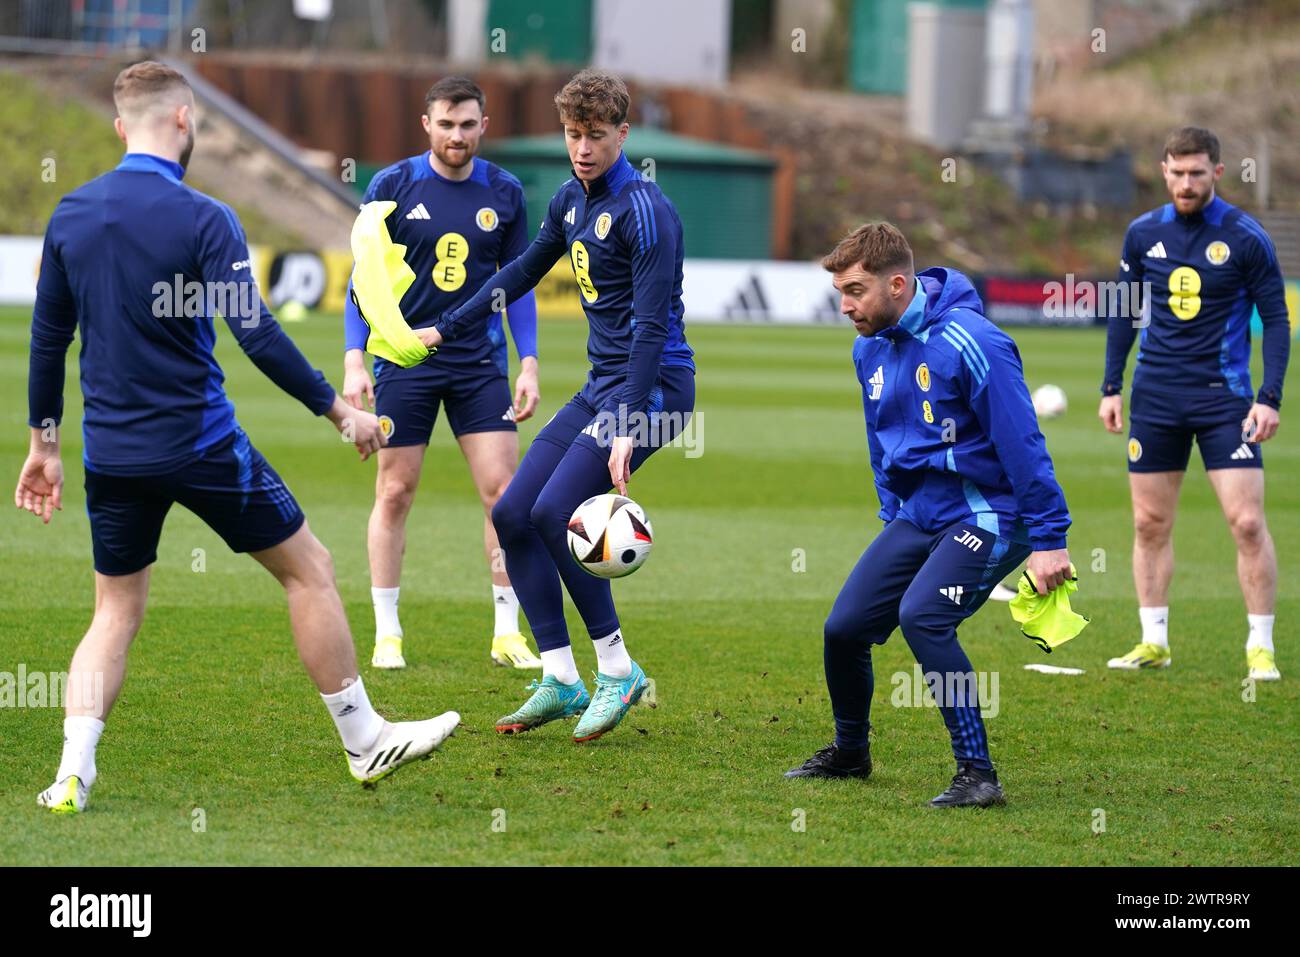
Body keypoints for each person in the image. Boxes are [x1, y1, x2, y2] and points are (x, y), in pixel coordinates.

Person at [17, 61, 457, 813]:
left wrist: (44, 445)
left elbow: (47, 337)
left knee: (114, 610)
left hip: (113, 454)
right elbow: (256, 335)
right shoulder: (205, 218)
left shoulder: (72, 213)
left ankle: (71, 774)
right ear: (185, 120)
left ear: (122, 127)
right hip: (200, 445)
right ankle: (364, 739)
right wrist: (339, 410)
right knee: (309, 568)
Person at [415, 69, 695, 743]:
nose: (582, 148)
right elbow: (519, 274)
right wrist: (445, 327)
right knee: (512, 512)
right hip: (603, 386)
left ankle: (618, 670)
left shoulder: (647, 210)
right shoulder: (570, 200)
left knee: (553, 513)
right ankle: (561, 677)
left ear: (622, 134)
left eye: (596, 136)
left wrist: (630, 420)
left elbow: (653, 329)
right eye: (573, 135)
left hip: (653, 390)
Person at [786, 222, 1072, 807]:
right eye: (839, 292)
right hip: (920, 513)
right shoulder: (867, 347)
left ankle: (978, 775)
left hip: (991, 512)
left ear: (897, 284)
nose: (845, 306)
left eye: (855, 291)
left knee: (923, 617)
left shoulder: (974, 341)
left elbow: (1023, 446)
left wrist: (1050, 539)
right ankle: (851, 753)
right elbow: (881, 435)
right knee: (843, 629)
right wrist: (891, 508)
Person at [343, 76, 542, 672]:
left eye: (468, 124)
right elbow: (364, 280)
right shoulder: (392, 186)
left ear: (485, 124)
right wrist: (356, 359)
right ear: (426, 124)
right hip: (404, 360)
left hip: (479, 363)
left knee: (503, 496)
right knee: (395, 490)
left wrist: (528, 361)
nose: (458, 135)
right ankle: (387, 632)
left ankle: (507, 632)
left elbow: (519, 284)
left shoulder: (505, 192)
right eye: (447, 124)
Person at [1099, 127, 1289, 681]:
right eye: (1177, 173)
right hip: (1155, 397)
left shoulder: (1246, 237)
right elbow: (1124, 314)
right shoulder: (1141, 234)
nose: (1186, 183)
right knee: (1149, 521)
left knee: (1248, 522)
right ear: (1163, 171)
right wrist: (1112, 386)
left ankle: (1260, 647)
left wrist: (1268, 397)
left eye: (1197, 173)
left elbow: (1276, 320)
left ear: (1217, 173)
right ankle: (1153, 641)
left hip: (1225, 401)